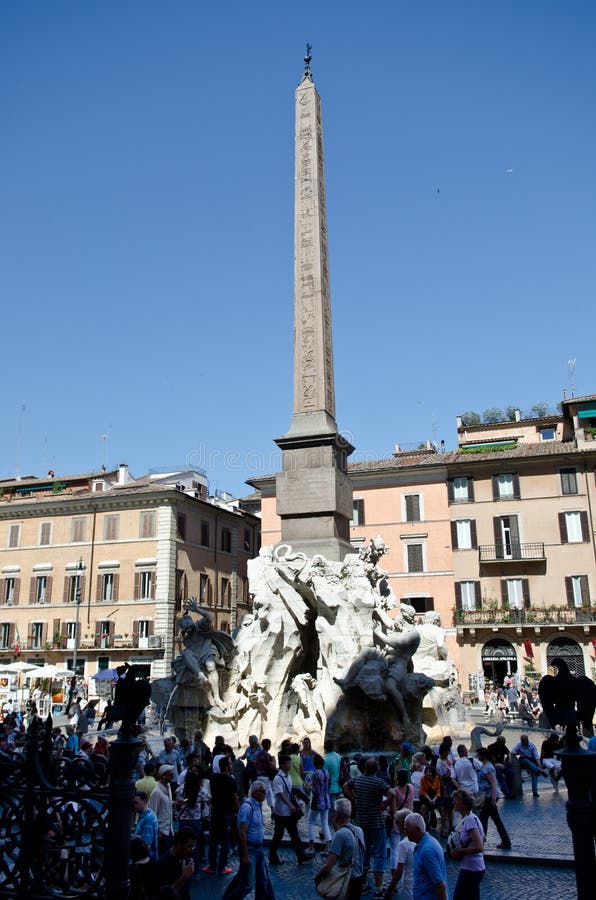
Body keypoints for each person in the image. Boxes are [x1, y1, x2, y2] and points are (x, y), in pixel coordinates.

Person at [344, 757, 389, 899]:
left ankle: (363, 884)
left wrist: (354, 799)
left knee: (364, 852)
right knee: (380, 854)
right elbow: (393, 793)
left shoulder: (358, 780)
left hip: (362, 822)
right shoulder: (379, 782)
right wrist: (385, 805)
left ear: (364, 769)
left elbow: (345, 786)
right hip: (376, 822)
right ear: (377, 769)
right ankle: (378, 887)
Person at [222, 780, 271, 900]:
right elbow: (242, 832)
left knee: (262, 880)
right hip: (250, 849)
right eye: (263, 791)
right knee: (247, 885)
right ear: (255, 793)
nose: (265, 794)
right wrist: (245, 855)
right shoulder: (247, 808)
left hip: (258, 849)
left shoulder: (257, 806)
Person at [314, 798, 365, 900]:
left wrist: (318, 876)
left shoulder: (340, 834)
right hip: (358, 880)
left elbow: (329, 866)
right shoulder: (359, 830)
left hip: (346, 881)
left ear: (337, 814)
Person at [269, 754, 313, 866]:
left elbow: (289, 793)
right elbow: (280, 794)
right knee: (278, 836)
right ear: (282, 765)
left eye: (289, 763)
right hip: (281, 812)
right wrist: (290, 805)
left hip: (288, 812)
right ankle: (273, 856)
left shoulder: (288, 776)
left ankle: (301, 856)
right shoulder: (278, 778)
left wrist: (295, 803)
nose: (289, 765)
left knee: (294, 834)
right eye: (287, 763)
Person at [204, 755, 239, 875]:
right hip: (227, 814)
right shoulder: (231, 781)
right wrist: (238, 813)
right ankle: (222, 867)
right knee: (225, 841)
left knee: (213, 840)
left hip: (215, 813)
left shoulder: (213, 778)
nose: (232, 765)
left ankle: (212, 866)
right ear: (227, 766)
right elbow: (234, 799)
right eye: (230, 763)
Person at [404, 812, 448, 900]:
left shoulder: (427, 851)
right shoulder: (429, 842)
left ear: (417, 829)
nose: (405, 832)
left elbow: (440, 885)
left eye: (407, 829)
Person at [450, 790, 485, 900]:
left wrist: (459, 851)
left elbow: (479, 847)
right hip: (468, 867)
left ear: (464, 804)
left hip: (472, 868)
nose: (454, 802)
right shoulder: (468, 818)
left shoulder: (470, 820)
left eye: (456, 800)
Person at [476, 748, 511, 850]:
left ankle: (481, 841)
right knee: (495, 819)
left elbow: (493, 783)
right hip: (488, 797)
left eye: (478, 755)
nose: (477, 756)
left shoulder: (488, 767)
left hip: (489, 797)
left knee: (484, 819)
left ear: (483, 755)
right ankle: (505, 841)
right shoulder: (485, 766)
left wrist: (493, 799)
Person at [155, 826, 196, 900]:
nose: (192, 850)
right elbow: (163, 897)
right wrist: (183, 878)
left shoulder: (186, 859)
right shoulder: (163, 864)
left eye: (193, 846)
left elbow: (186, 889)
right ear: (179, 844)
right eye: (189, 846)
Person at [383, 809, 415, 900]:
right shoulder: (418, 840)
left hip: (409, 887)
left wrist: (389, 890)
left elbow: (398, 872)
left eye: (396, 822)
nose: (395, 825)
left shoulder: (403, 844)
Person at [307, 753, 331, 853]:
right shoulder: (326, 772)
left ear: (314, 763)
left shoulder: (315, 774)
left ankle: (311, 847)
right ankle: (327, 847)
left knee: (310, 822)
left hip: (317, 801)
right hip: (326, 800)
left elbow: (316, 791)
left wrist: (309, 786)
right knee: (325, 823)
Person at [149, 765, 174, 855]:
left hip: (169, 829)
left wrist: (174, 803)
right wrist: (157, 832)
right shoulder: (156, 792)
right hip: (162, 830)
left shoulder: (168, 787)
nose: (172, 776)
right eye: (170, 775)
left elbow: (166, 804)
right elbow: (152, 813)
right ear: (163, 776)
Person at [436, 745, 458, 837]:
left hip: (450, 784)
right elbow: (440, 777)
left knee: (451, 807)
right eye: (446, 752)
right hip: (445, 785)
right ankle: (443, 829)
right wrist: (444, 789)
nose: (448, 754)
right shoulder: (439, 762)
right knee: (445, 809)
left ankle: (450, 827)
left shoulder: (447, 760)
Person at [133, 791, 159, 861]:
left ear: (144, 801)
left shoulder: (147, 819)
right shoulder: (149, 814)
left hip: (146, 863)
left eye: (136, 803)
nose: (134, 805)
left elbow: (146, 846)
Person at [255, 738, 277, 809]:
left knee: (260, 792)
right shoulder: (267, 755)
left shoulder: (258, 754)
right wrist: (274, 760)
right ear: (268, 745)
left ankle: (259, 807)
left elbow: (255, 764)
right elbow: (273, 767)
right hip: (265, 777)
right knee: (268, 793)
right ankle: (272, 809)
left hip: (258, 776)